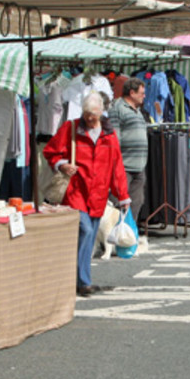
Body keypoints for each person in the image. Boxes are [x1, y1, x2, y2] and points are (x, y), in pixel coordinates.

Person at [43, 93, 130, 297]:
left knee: (89, 236)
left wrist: (123, 195)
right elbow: (50, 151)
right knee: (86, 231)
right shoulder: (71, 128)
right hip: (76, 191)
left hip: (98, 193)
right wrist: (61, 164)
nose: (90, 118)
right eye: (86, 114)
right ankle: (83, 280)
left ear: (101, 111)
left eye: (93, 114)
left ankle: (81, 278)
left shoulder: (109, 135)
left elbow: (117, 167)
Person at [112, 77, 150, 230]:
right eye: (141, 93)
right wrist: (117, 163)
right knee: (117, 202)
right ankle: (112, 235)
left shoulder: (138, 111)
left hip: (139, 166)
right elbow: (115, 137)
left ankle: (127, 233)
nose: (144, 96)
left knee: (137, 202)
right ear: (132, 92)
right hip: (124, 166)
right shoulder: (117, 108)